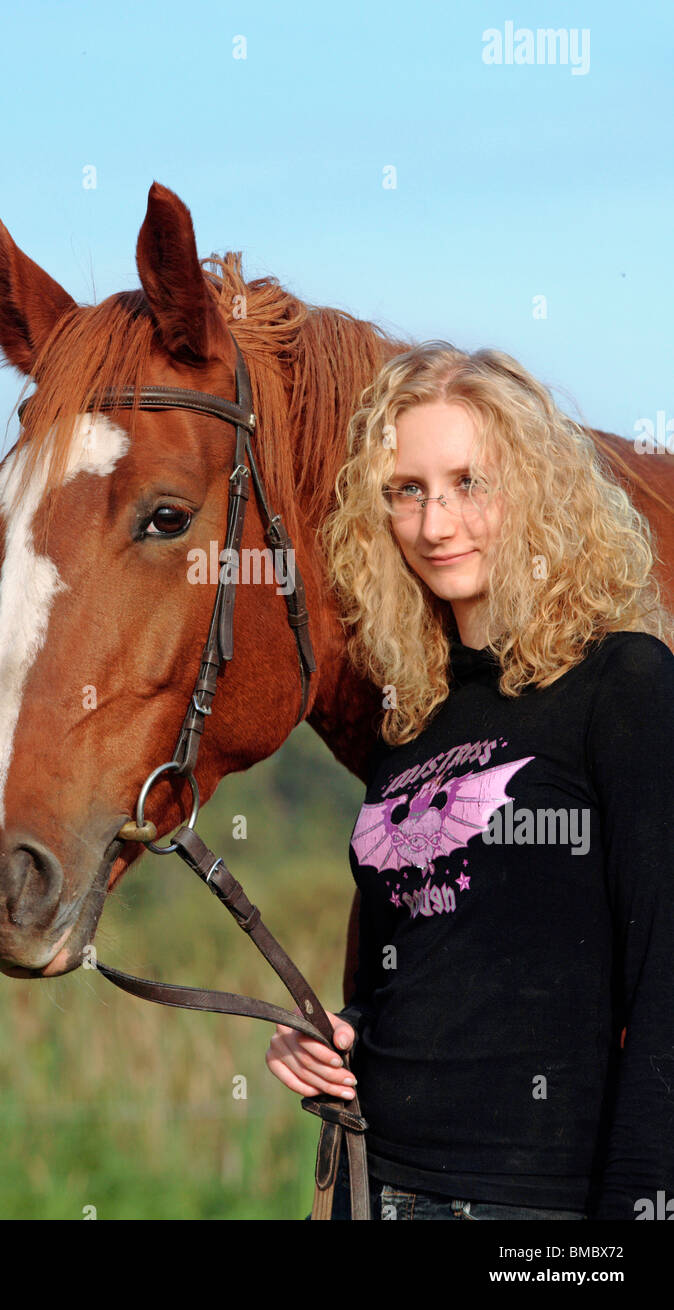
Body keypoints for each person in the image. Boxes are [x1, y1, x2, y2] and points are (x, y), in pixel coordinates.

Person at [265, 342, 674, 1221]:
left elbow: (666, 978)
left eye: (467, 483)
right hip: (374, 1188)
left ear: (534, 487)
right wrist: (341, 1040)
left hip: (533, 1211)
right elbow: (412, 967)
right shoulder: (413, 722)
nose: (436, 524)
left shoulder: (625, 684)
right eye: (406, 490)